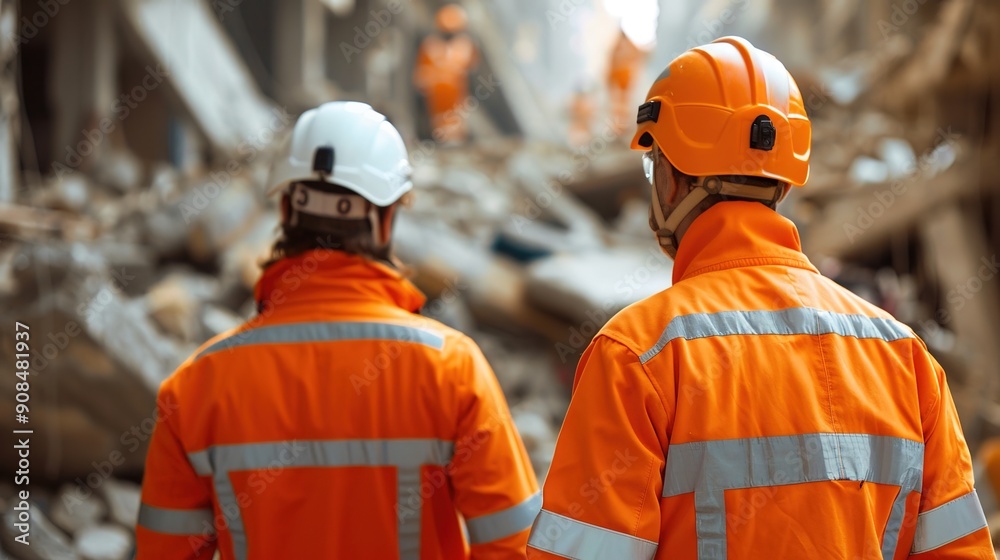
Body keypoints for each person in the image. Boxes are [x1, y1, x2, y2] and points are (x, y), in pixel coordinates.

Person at [526, 37, 992, 559]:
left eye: (654, 165)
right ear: (784, 184)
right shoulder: (903, 356)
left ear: (674, 181)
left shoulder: (638, 355)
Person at [135, 102, 539, 560]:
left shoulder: (196, 387)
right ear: (387, 220)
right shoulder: (451, 369)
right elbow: (516, 548)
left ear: (286, 210)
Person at [414, 4, 478, 144]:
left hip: (458, 102)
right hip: (436, 102)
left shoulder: (465, 46)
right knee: (440, 133)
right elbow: (420, 77)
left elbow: (472, 73)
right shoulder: (430, 46)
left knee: (456, 131)